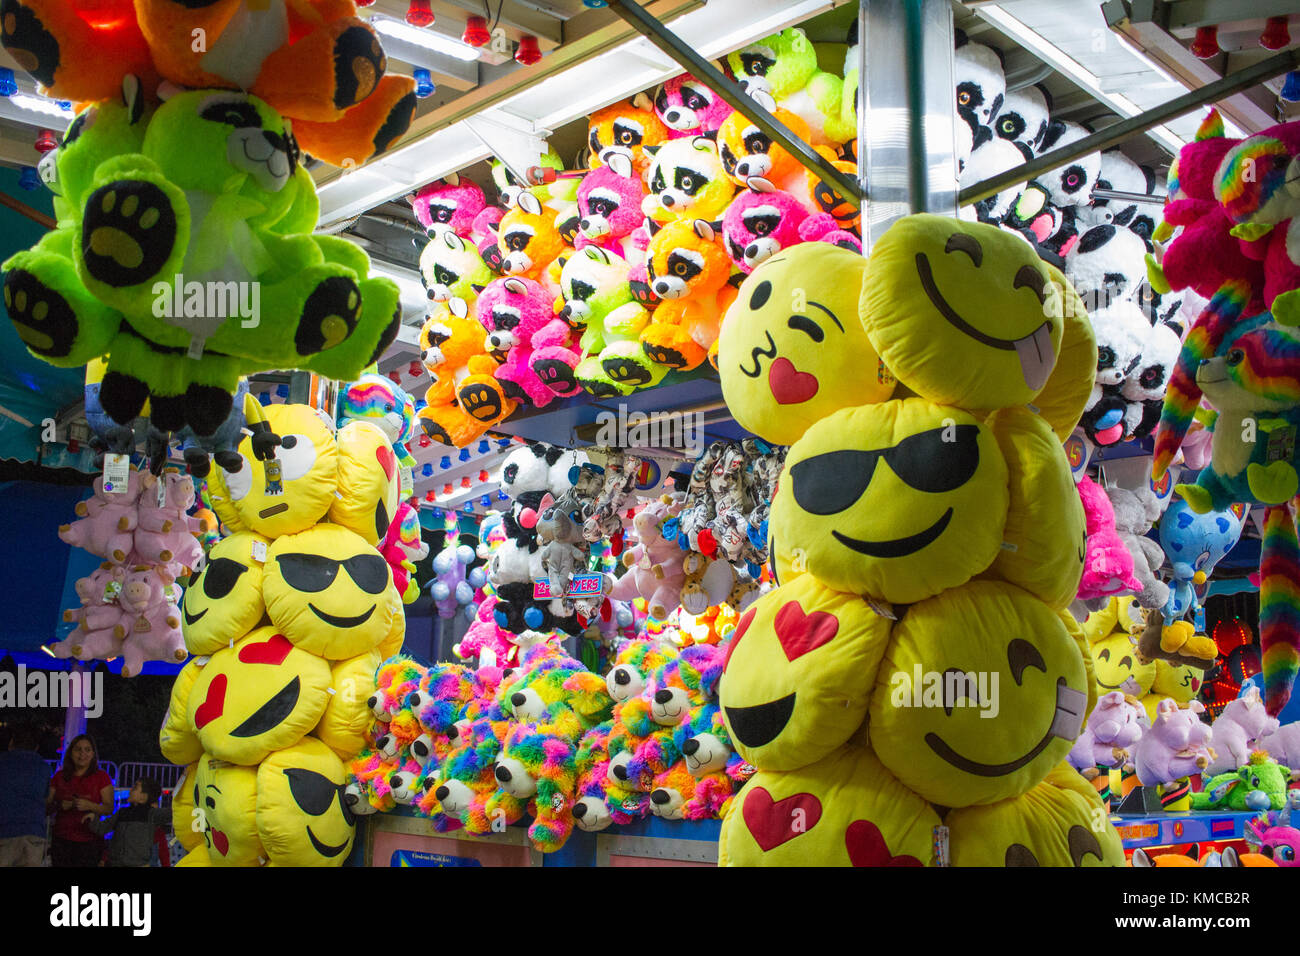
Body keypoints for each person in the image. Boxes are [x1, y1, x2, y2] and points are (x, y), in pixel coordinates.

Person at [47, 734, 114, 867]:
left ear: (93, 753)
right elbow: (46, 805)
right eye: (78, 749)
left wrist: (90, 805)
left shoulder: (101, 777)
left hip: (89, 840)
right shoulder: (59, 776)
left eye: (87, 750)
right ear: (71, 752)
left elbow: (109, 808)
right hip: (62, 838)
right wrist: (60, 805)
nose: (82, 754)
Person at [86, 777, 170, 867]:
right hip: (114, 863)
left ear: (143, 797)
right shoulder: (122, 813)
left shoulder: (152, 814)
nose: (131, 790)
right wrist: (92, 818)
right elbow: (102, 828)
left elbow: (173, 812)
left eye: (135, 788)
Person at [0, 724, 50, 866]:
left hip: (5, 831)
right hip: (34, 832)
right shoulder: (43, 767)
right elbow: (46, 798)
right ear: (36, 747)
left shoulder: (2, 761)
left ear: (11, 743)